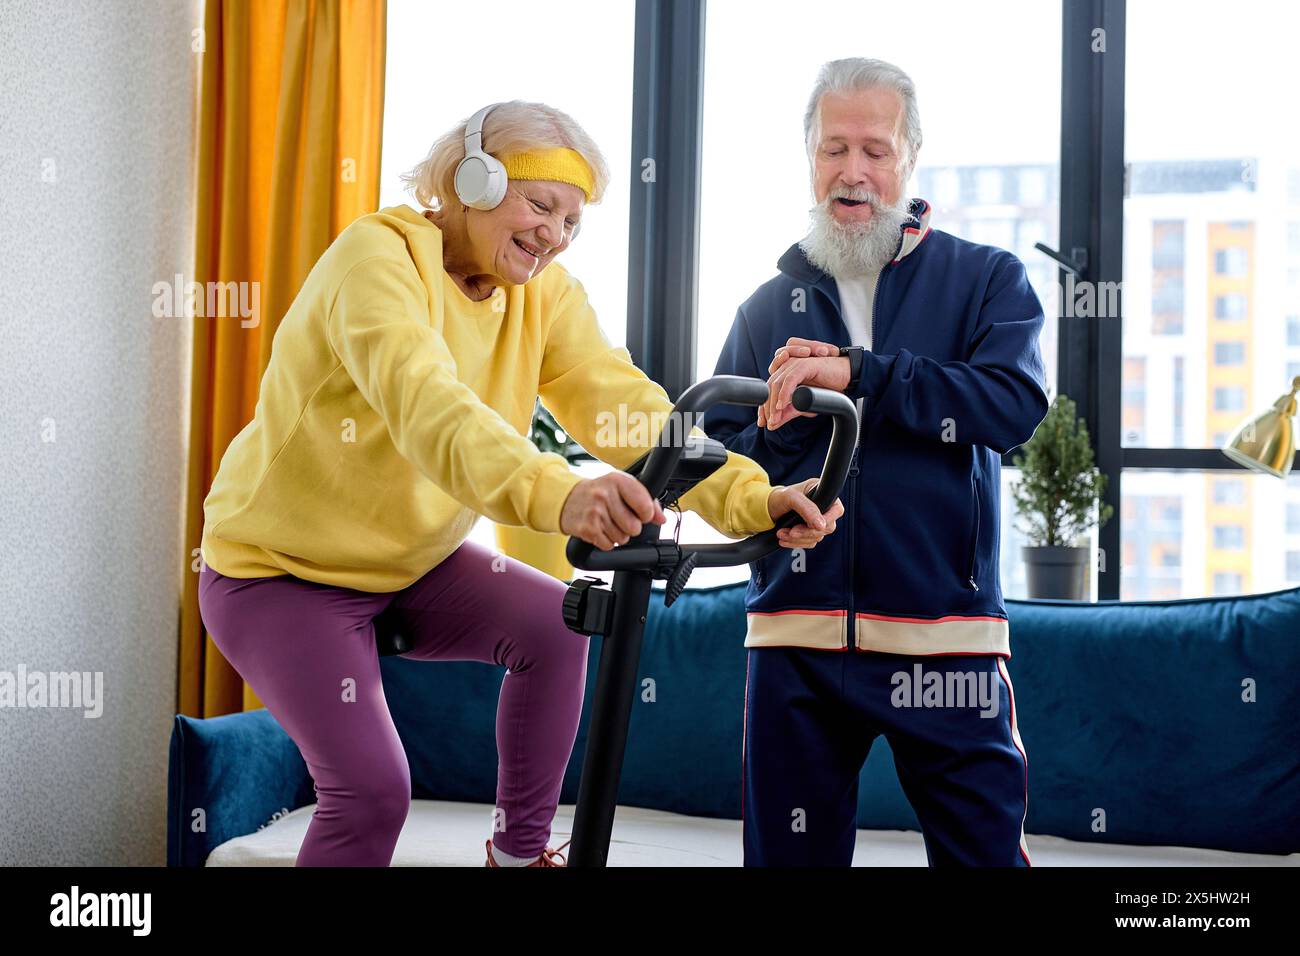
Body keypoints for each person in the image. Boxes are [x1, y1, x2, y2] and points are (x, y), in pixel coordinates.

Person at [197, 100, 843, 868]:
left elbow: (629, 408)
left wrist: (753, 497)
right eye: (540, 205)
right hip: (279, 572)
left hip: (410, 565)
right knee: (371, 791)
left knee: (556, 627)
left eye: (572, 220)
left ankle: (517, 855)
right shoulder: (376, 262)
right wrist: (562, 494)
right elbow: (429, 407)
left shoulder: (542, 293)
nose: (554, 235)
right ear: (470, 180)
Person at [700, 59, 1050, 866]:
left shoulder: (985, 279)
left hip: (947, 643)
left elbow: (1011, 407)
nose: (852, 172)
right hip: (795, 640)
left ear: (910, 160)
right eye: (833, 150)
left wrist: (860, 373)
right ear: (809, 161)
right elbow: (721, 451)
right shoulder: (763, 308)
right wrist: (773, 469)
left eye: (875, 150)